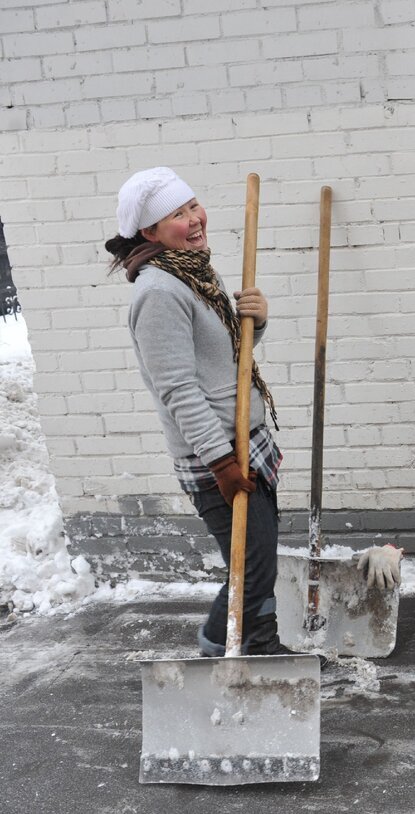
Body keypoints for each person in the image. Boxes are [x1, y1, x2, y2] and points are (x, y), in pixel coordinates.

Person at [106, 166, 299, 658]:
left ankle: (248, 640)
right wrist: (220, 463)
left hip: (244, 443)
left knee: (257, 562)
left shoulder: (192, 271)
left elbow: (225, 361)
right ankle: (229, 642)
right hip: (217, 452)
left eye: (193, 206)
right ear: (149, 232)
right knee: (251, 565)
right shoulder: (158, 292)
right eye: (177, 214)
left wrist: (255, 322)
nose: (194, 219)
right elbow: (177, 389)